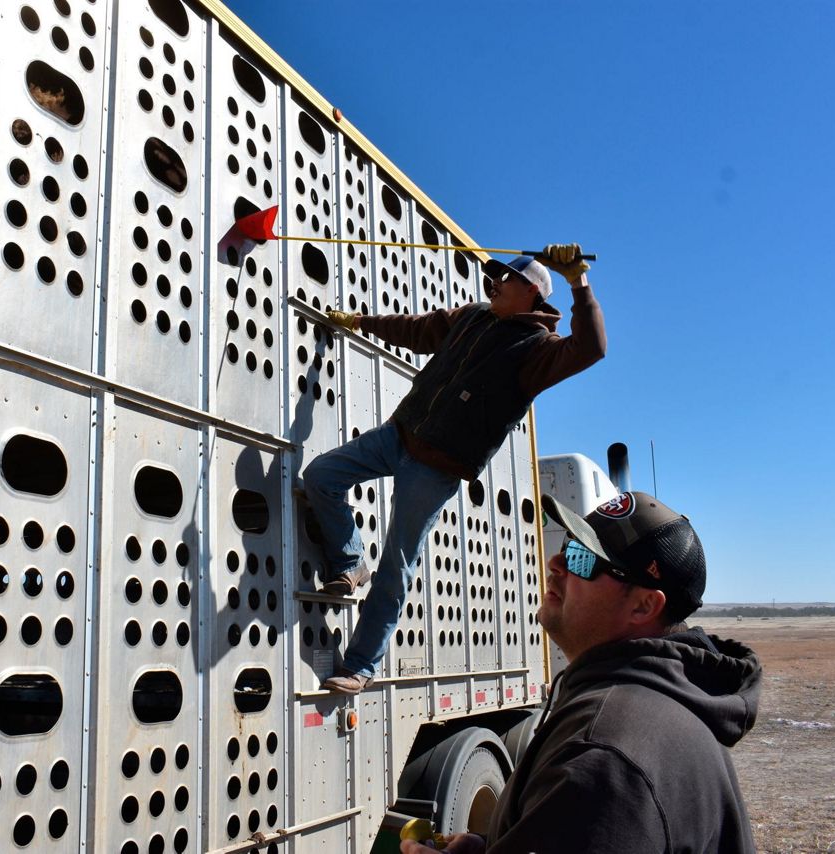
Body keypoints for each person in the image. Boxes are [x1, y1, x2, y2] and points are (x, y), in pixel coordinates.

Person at [305, 244, 606, 694]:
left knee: (397, 565)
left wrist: (578, 281)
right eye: (495, 276)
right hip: (398, 434)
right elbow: (414, 329)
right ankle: (350, 561)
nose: (494, 283)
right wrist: (359, 322)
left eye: (505, 278)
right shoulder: (471, 317)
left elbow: (591, 347)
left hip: (436, 468)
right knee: (321, 476)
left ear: (532, 292)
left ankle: (360, 666)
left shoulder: (539, 351)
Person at [400, 491, 763, 854]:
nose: (556, 562)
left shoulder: (606, 756)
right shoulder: (655, 712)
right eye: (567, 545)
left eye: (582, 558)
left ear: (644, 605)